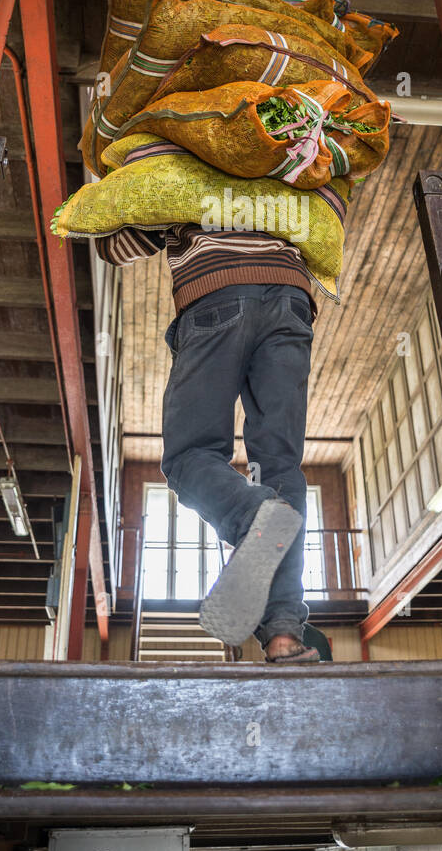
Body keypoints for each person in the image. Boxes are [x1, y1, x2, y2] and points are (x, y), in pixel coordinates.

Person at [96, 220, 321, 664]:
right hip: (292, 297)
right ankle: (283, 633)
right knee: (280, 467)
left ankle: (251, 514)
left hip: (217, 290)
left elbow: (117, 246)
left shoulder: (181, 151)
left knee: (189, 456)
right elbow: (329, 210)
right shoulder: (300, 151)